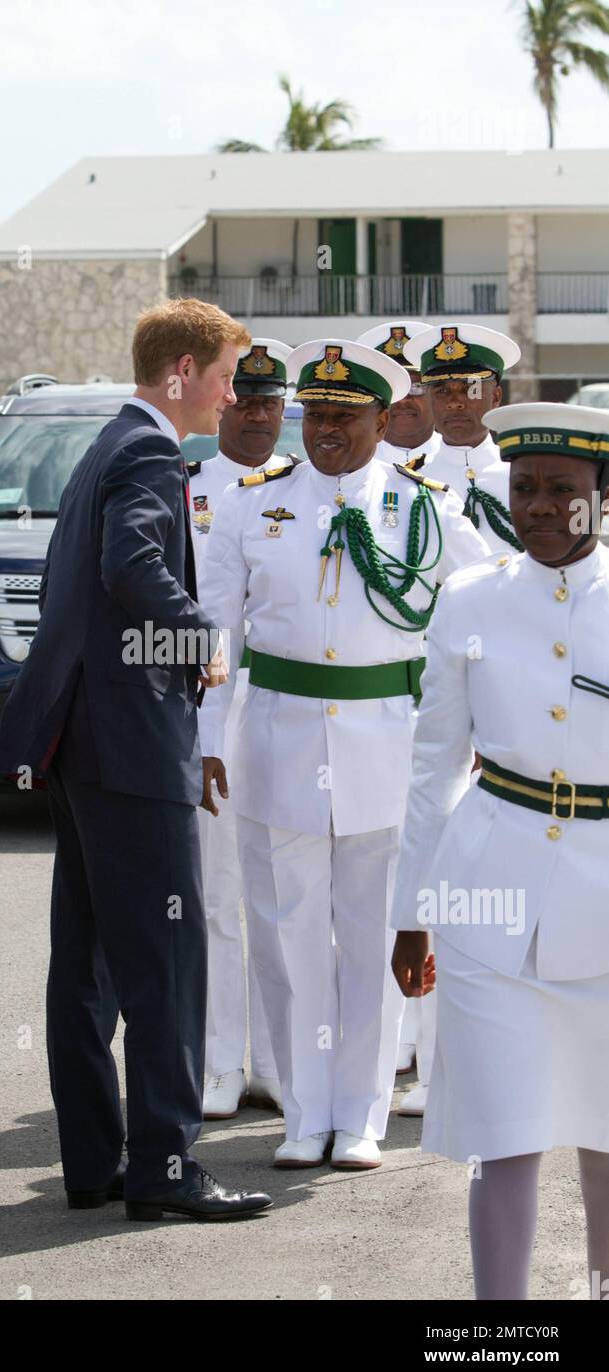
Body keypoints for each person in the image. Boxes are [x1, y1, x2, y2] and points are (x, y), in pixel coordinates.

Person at [0, 298, 273, 1223]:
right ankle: (165, 1167)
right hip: (130, 740)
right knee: (168, 957)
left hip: (83, 743)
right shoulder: (148, 449)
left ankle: (93, 1161)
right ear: (181, 371)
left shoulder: (109, 442)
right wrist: (200, 635)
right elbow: (130, 564)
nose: (232, 397)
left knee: (91, 958)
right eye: (226, 375)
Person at [198, 339, 490, 1172]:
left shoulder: (425, 507)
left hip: (388, 747)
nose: (326, 430)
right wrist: (207, 736)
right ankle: (304, 1110)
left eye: (345, 416)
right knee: (287, 937)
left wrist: (477, 732)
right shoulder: (257, 503)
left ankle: (359, 1115)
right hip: (278, 740)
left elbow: (484, 609)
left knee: (372, 936)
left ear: (378, 419)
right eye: (315, 413)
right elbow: (216, 628)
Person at [391, 401, 609, 1301]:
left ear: (602, 496)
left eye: (564, 490)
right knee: (504, 1134)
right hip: (490, 893)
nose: (542, 507)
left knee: (605, 1136)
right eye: (526, 489)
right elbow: (432, 765)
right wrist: (410, 915)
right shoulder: (467, 601)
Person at [187, 339, 288, 1121]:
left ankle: (282, 1064)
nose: (257, 413)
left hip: (287, 704)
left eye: (270, 402)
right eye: (244, 400)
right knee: (218, 894)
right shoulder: (186, 487)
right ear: (224, 404)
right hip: (212, 699)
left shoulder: (301, 489)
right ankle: (222, 1059)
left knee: (283, 896)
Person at [403, 323, 521, 555]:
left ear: (496, 396)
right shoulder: (412, 481)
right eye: (442, 391)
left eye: (470, 389)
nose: (455, 402)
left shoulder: (521, 472)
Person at [356, 321, 442, 471]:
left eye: (416, 387)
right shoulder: (351, 467)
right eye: (394, 389)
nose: (403, 400)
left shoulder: (464, 464)